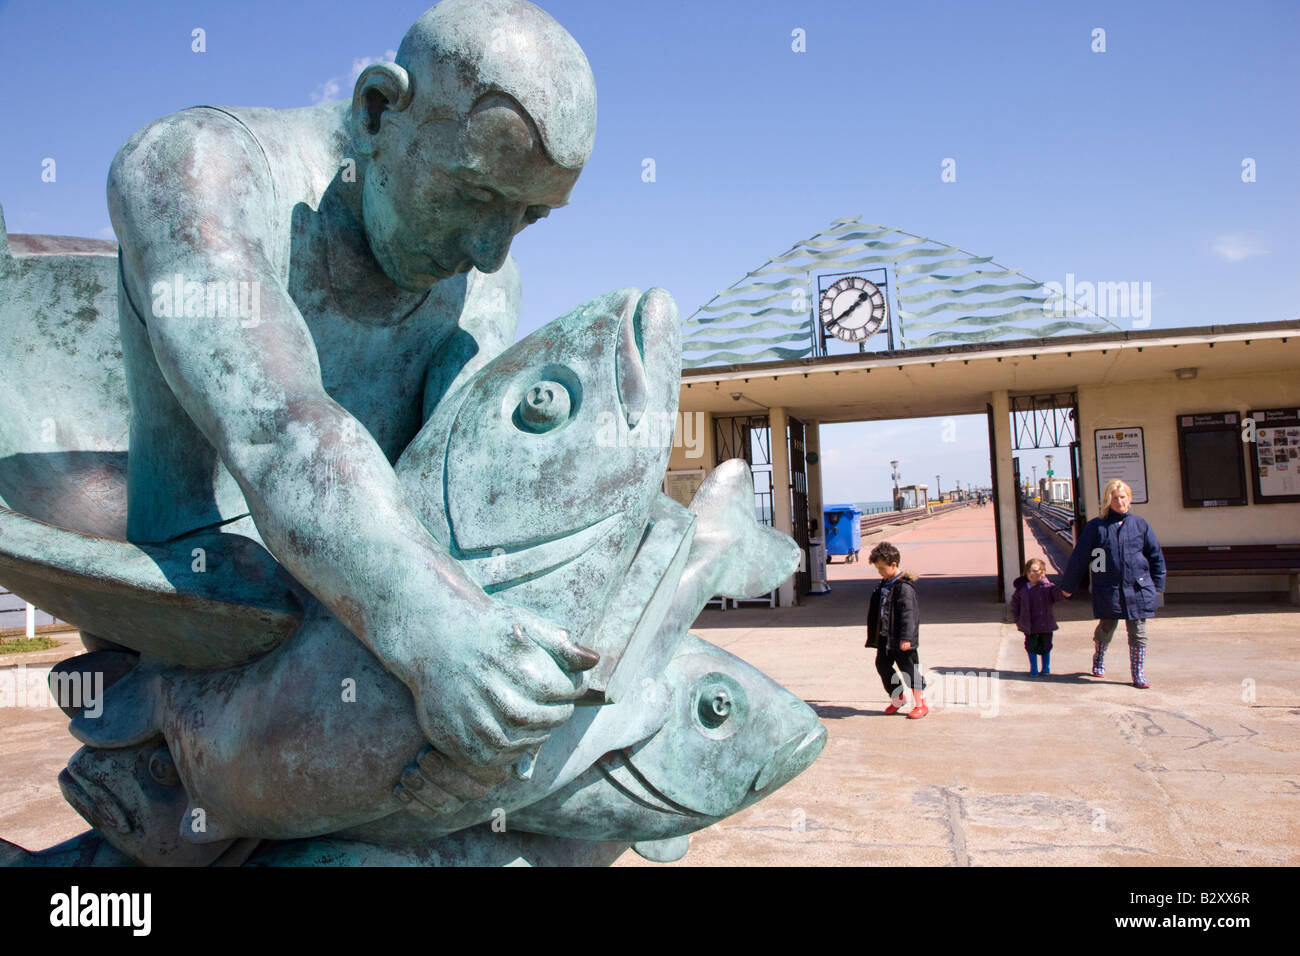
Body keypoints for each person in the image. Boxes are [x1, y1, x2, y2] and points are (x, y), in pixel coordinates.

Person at [104, 0, 619, 778]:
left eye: (531, 216)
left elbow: (466, 497)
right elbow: (278, 427)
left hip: (381, 627)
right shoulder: (197, 169)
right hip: (208, 614)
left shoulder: (482, 286)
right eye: (476, 195)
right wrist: (437, 626)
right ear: (379, 111)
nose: (489, 251)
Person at [1061, 479, 1166, 688]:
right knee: (1107, 627)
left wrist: (1158, 587)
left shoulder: (1140, 525)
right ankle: (1099, 658)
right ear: (1108, 501)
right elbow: (1081, 557)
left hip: (1137, 588)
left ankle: (1138, 673)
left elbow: (1155, 557)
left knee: (1138, 632)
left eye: (1123, 497)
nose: (1119, 501)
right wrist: (1068, 586)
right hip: (1109, 589)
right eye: (1115, 498)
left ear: (1129, 499)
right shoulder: (1096, 527)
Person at [864, 541, 928, 718]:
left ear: (894, 565)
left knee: (909, 669)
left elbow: (909, 615)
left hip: (902, 638)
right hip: (886, 636)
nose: (880, 573)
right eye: (878, 569)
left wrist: (907, 638)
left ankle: (921, 702)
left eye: (882, 569)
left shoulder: (904, 588)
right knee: (882, 665)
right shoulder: (883, 585)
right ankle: (898, 696)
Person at [1010, 557, 1066, 676]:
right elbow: (1015, 604)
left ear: (1043, 572)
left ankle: (1046, 667)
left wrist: (1066, 590)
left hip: (1045, 624)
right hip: (1029, 624)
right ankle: (1033, 668)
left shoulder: (1048, 587)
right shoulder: (1022, 589)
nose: (1031, 574)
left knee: (1046, 645)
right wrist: (1017, 619)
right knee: (1031, 646)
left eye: (1035, 571)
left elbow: (1058, 595)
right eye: (1029, 571)